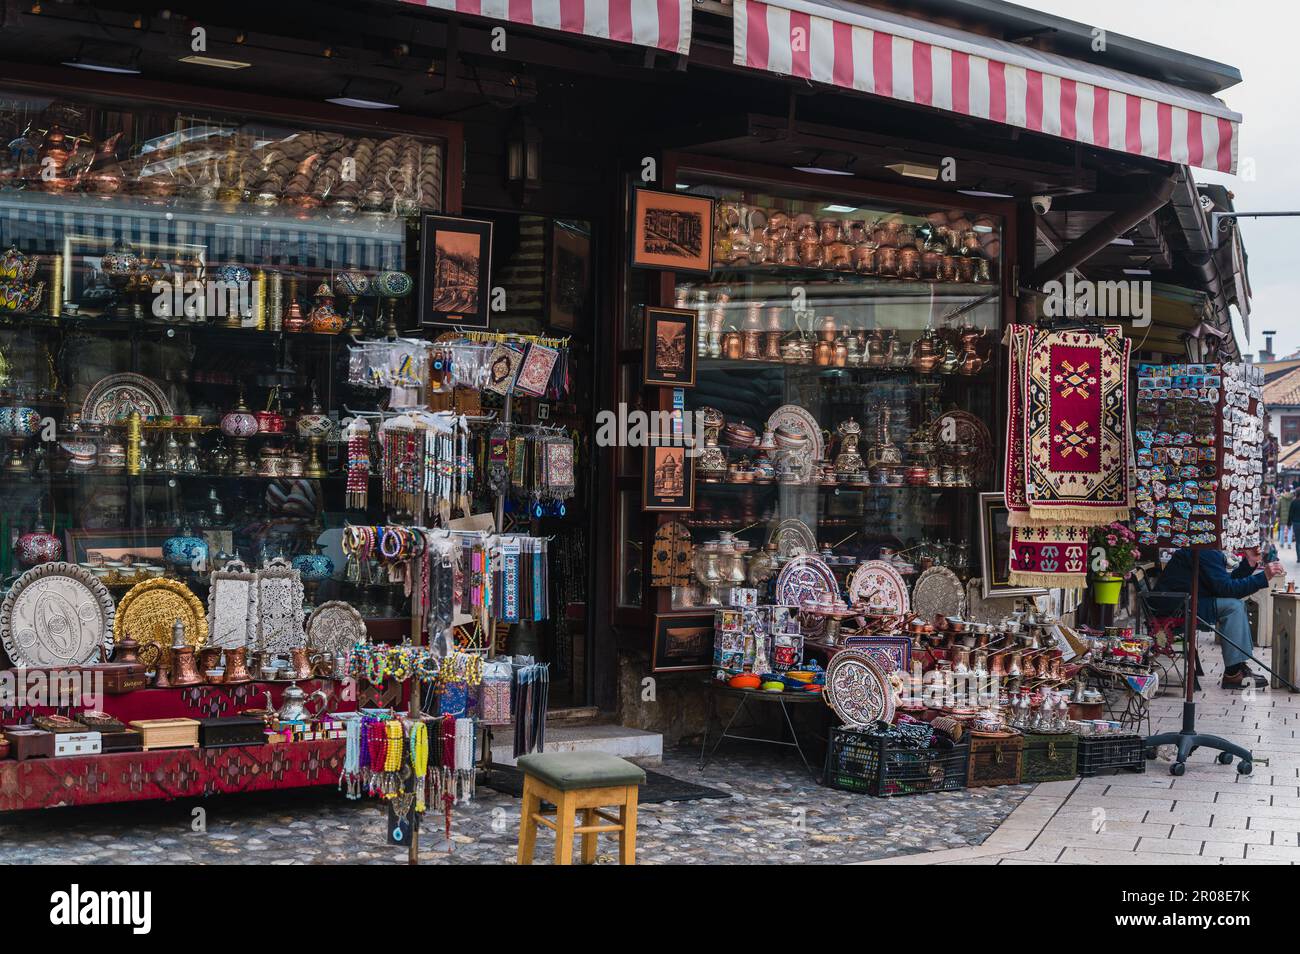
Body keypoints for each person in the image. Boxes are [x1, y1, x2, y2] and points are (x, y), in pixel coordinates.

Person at [1156, 545, 1284, 689]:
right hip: (1177, 608)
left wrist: (1249, 563)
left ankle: (1238, 666)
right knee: (1233, 607)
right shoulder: (1205, 550)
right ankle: (1233, 672)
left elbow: (1221, 584)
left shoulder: (1206, 549)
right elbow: (1226, 589)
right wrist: (1263, 576)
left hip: (1184, 602)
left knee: (1235, 604)